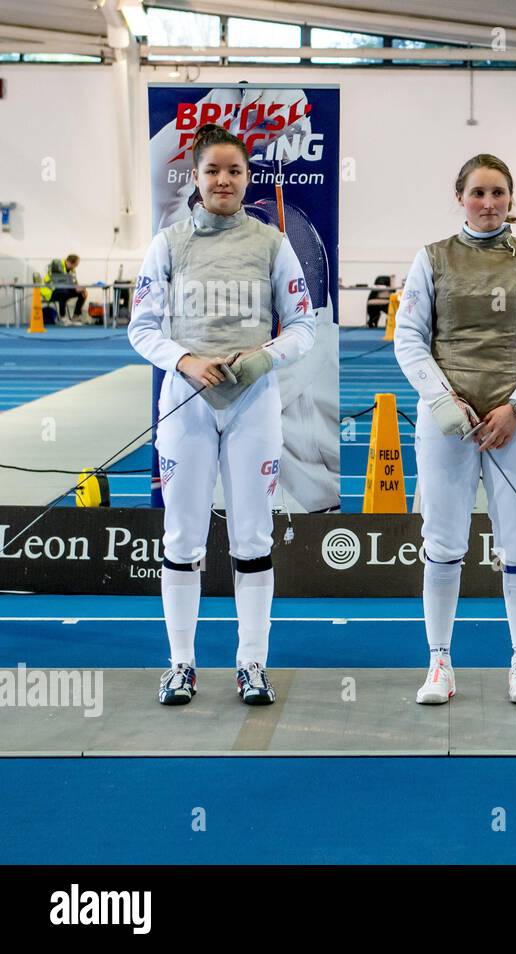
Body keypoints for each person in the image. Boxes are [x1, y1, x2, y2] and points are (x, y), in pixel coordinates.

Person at [128, 123, 316, 707]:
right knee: (182, 538)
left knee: (252, 538)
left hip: (252, 406)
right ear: (197, 177)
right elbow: (141, 327)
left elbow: (304, 327)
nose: (224, 180)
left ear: (247, 177)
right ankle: (181, 664)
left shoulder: (271, 243)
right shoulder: (168, 243)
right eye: (213, 170)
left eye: (234, 171)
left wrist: (262, 359)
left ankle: (251, 665)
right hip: (185, 407)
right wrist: (184, 358)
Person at [394, 154, 516, 705]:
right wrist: (444, 400)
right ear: (460, 196)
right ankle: (439, 663)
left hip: (515, 422)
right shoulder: (432, 259)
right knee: (442, 543)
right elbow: (409, 338)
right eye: (478, 193)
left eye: (498, 193)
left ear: (511, 198)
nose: (488, 203)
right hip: (449, 423)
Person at [45, 254, 87, 324]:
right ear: (70, 262)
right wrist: (75, 288)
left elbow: (74, 282)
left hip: (63, 289)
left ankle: (75, 317)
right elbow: (60, 281)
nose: (76, 266)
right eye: (76, 264)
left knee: (82, 294)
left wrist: (81, 289)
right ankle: (63, 317)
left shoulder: (72, 270)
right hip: (50, 291)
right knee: (63, 292)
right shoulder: (57, 264)